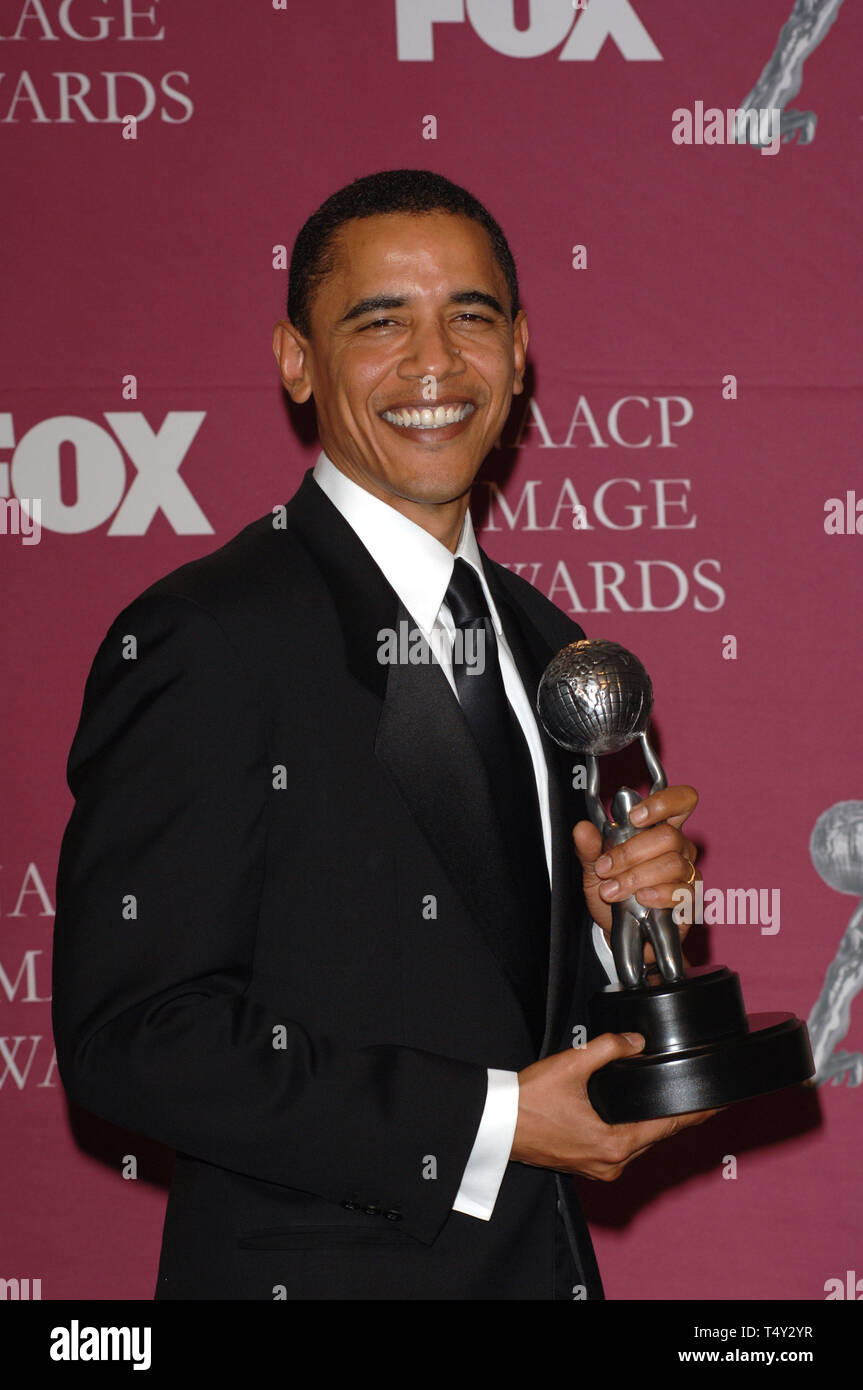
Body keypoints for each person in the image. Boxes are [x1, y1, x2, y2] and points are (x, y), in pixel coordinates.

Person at [52, 169, 711, 1302]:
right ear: (295, 361)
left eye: (470, 315)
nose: (432, 362)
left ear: (518, 351)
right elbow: (135, 1031)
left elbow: (493, 981)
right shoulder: (208, 635)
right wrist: (497, 1121)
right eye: (378, 321)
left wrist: (613, 928)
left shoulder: (547, 640)